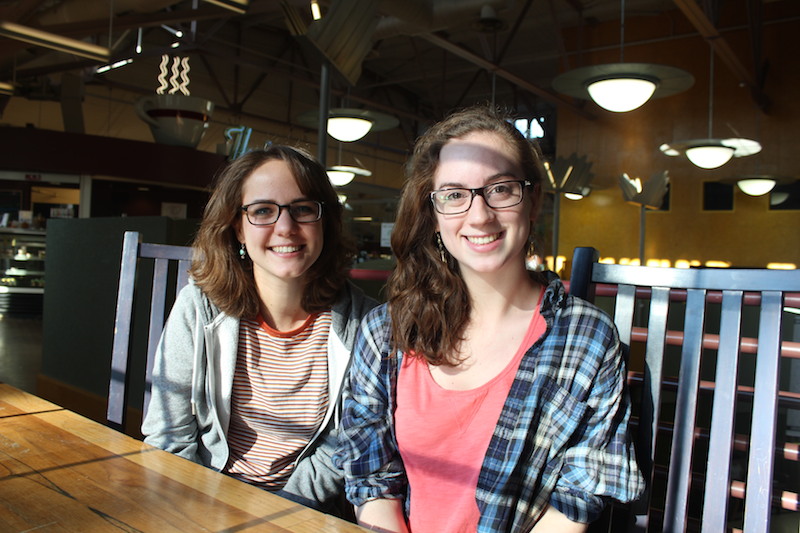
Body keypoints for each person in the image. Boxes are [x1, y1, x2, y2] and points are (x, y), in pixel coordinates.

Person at [335, 106, 644, 532]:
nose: (479, 215)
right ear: (434, 212)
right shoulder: (386, 331)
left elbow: (574, 504)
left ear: (533, 200)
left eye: (500, 189)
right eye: (454, 194)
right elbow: (371, 480)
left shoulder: (587, 339)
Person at [142, 146, 378, 515]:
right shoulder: (198, 307)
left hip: (304, 511)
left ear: (325, 221)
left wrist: (277, 513)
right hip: (201, 497)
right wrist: (200, 509)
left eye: (302, 209)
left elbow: (342, 447)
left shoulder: (364, 323)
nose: (285, 227)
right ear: (237, 226)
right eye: (263, 211)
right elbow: (169, 435)